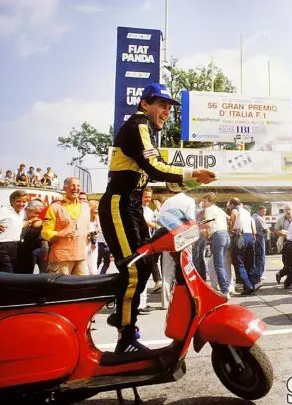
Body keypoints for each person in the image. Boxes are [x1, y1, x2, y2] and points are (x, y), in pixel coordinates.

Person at [98, 82, 216, 354]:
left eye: (169, 107)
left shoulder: (147, 131)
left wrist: (194, 183)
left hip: (131, 206)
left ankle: (126, 323)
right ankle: (125, 335)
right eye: (161, 105)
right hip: (118, 204)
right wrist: (192, 173)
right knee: (132, 269)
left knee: (143, 265)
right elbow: (155, 166)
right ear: (144, 104)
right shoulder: (139, 124)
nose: (166, 111)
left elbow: (161, 179)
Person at [42, 177, 91, 275]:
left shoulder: (86, 206)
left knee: (82, 287)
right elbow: (45, 232)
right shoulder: (55, 207)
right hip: (61, 257)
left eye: (78, 186)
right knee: (61, 288)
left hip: (81, 256)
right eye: (72, 185)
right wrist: (60, 234)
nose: (75, 188)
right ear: (65, 188)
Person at [159, 192, 198, 309]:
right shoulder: (189, 200)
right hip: (184, 236)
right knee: (187, 267)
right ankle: (190, 296)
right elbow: (191, 220)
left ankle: (165, 302)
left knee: (167, 270)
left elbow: (160, 220)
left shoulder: (167, 202)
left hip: (168, 235)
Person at [0, 190, 28, 273]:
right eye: (18, 201)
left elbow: (19, 225)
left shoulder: (22, 213)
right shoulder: (3, 211)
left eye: (24, 201)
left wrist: (31, 222)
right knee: (7, 274)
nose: (21, 204)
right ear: (12, 201)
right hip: (1, 247)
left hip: (14, 246)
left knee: (10, 276)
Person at [201, 192, 231, 297]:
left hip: (218, 236)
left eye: (204, 201)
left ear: (208, 200)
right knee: (221, 264)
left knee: (219, 265)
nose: (203, 203)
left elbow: (209, 224)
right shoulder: (219, 209)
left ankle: (224, 290)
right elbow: (229, 218)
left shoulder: (208, 209)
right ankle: (227, 287)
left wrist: (198, 225)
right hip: (225, 235)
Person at [228, 197, 259, 295]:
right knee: (249, 262)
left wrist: (231, 227)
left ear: (232, 204)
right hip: (249, 236)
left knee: (239, 263)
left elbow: (233, 220)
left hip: (240, 236)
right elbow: (251, 223)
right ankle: (253, 284)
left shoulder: (234, 210)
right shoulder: (246, 211)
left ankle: (247, 286)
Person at [14, 199, 45, 274]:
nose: (37, 216)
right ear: (27, 210)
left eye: (39, 214)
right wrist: (29, 222)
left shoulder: (37, 220)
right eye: (36, 213)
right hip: (16, 247)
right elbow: (18, 226)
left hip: (30, 248)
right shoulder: (19, 215)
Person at [274, 204, 292, 286]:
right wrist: (284, 234)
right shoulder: (280, 219)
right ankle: (287, 280)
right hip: (286, 243)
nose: (288, 211)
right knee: (288, 263)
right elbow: (275, 230)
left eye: (289, 209)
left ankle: (285, 279)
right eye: (286, 209)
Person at [252, 206, 270, 281]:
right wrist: (269, 232)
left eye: (265, 211)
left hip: (254, 238)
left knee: (256, 257)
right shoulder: (259, 218)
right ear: (259, 211)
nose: (264, 213)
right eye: (263, 211)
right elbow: (266, 229)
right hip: (260, 238)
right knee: (261, 257)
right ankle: (259, 274)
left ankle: (256, 273)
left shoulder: (253, 216)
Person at [86, 200, 101, 275]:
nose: (97, 210)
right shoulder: (84, 219)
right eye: (96, 208)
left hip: (94, 245)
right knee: (84, 267)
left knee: (93, 269)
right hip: (84, 244)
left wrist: (95, 235)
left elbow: (100, 230)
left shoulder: (97, 218)